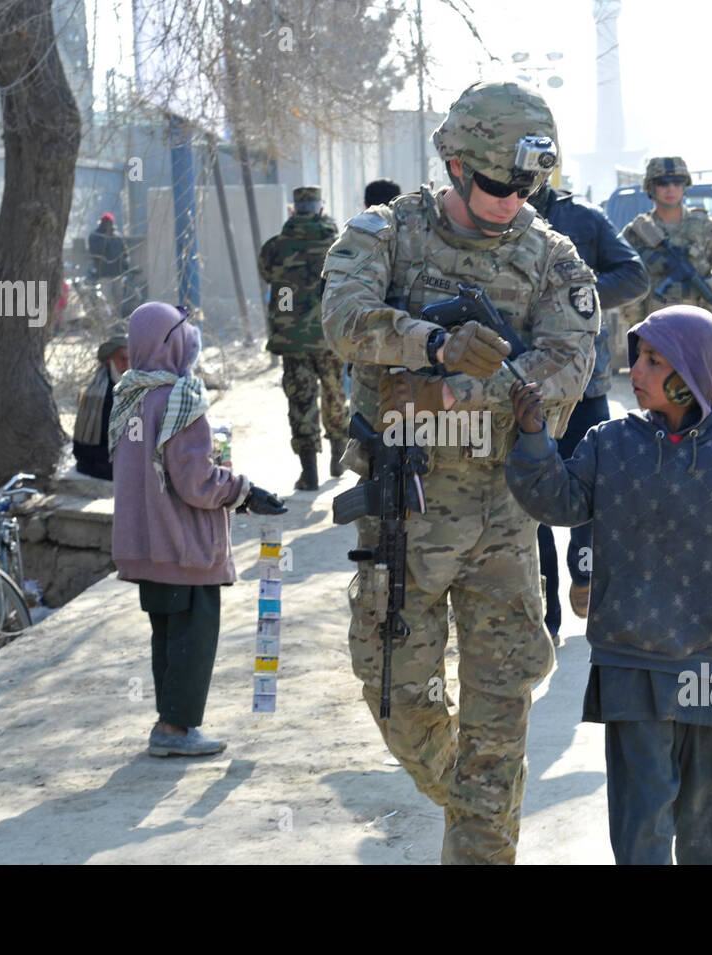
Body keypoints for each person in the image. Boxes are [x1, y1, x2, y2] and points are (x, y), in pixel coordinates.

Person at [321, 80, 598, 865]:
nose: (513, 201)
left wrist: (450, 390)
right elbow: (342, 321)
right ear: (453, 163)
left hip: (506, 520)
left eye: (528, 186)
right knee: (398, 699)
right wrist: (426, 343)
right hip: (407, 514)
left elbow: (565, 366)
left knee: (500, 712)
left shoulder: (553, 257)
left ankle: (482, 826)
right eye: (497, 184)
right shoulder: (384, 235)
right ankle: (476, 794)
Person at [504, 305, 712, 865]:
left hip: (707, 665)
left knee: (706, 816)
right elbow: (557, 502)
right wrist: (535, 437)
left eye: (653, 359)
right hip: (629, 662)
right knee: (642, 817)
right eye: (636, 356)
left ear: (688, 373)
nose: (634, 370)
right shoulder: (609, 443)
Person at [109, 302, 286, 757]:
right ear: (171, 343)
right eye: (184, 332)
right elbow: (197, 482)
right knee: (194, 636)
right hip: (184, 546)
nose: (192, 340)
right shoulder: (181, 400)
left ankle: (168, 725)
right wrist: (243, 490)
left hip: (147, 547)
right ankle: (175, 730)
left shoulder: (130, 396)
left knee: (167, 638)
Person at [527, 180, 648, 643]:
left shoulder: (583, 218)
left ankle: (585, 566)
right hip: (519, 386)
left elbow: (633, 276)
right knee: (527, 502)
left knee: (591, 490)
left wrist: (577, 291)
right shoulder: (484, 216)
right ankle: (544, 618)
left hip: (583, 382)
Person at [258, 185, 347, 491]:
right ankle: (338, 452)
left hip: (292, 337)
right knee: (335, 392)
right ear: (321, 209)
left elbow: (268, 276)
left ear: (293, 211)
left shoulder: (274, 247)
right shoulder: (339, 244)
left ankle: (309, 471)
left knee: (301, 398)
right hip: (329, 335)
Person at [619, 156, 712, 334]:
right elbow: (623, 282)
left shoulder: (708, 229)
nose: (671, 188)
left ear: (685, 186)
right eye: (663, 183)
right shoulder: (635, 233)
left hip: (698, 330)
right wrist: (638, 324)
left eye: (677, 182)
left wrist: (702, 288)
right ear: (650, 188)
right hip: (654, 331)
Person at [72, 335, 130, 480]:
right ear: (108, 362)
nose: (127, 364)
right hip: (97, 460)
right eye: (122, 359)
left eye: (130, 359)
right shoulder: (100, 394)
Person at [89, 212, 128, 280]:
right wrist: (105, 239)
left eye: (110, 223)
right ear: (102, 223)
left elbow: (124, 252)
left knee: (118, 290)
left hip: (117, 273)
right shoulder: (96, 236)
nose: (108, 226)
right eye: (106, 223)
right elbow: (95, 252)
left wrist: (124, 264)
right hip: (104, 273)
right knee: (106, 290)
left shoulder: (117, 236)